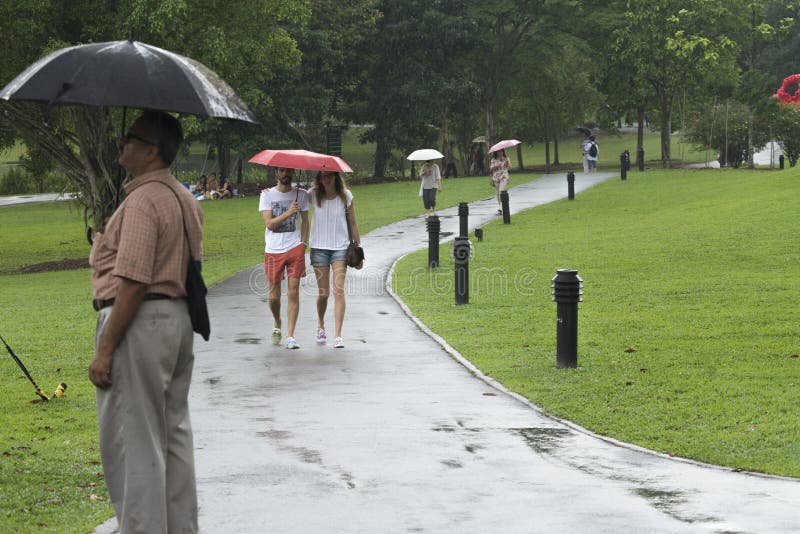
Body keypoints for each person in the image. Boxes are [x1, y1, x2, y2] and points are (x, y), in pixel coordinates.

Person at [88, 110, 201, 533]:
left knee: (134, 441)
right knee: (172, 435)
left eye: (130, 138)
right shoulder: (183, 197)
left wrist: (104, 351)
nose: (122, 143)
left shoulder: (142, 200)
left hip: (138, 320)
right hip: (176, 320)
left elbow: (133, 282)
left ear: (152, 151)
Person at [308, 171, 362, 349]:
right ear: (319, 177)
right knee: (324, 293)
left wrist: (359, 250)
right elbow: (292, 197)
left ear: (336, 177)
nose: (327, 178)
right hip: (319, 248)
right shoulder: (313, 195)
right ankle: (321, 324)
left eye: (330, 175)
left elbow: (353, 223)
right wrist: (269, 192)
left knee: (339, 290)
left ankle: (338, 335)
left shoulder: (345, 196)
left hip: (340, 247)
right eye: (323, 175)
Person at [259, 167, 310, 349]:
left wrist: (303, 244)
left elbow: (305, 221)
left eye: (289, 171)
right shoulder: (267, 195)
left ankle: (290, 335)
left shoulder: (301, 195)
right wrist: (288, 212)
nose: (285, 174)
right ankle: (277, 319)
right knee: (274, 297)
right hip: (273, 250)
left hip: (294, 247)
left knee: (294, 292)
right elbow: (270, 224)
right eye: (282, 171)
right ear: (277, 173)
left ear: (293, 173)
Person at [489, 148, 510, 214]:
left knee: (501, 191)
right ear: (496, 153)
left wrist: (507, 162)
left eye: (501, 151)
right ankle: (500, 207)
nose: (500, 153)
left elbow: (509, 166)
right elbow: (491, 168)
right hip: (496, 177)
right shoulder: (493, 159)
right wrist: (495, 165)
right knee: (498, 193)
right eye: (498, 152)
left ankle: (500, 208)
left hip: (504, 177)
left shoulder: (506, 158)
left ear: (503, 151)